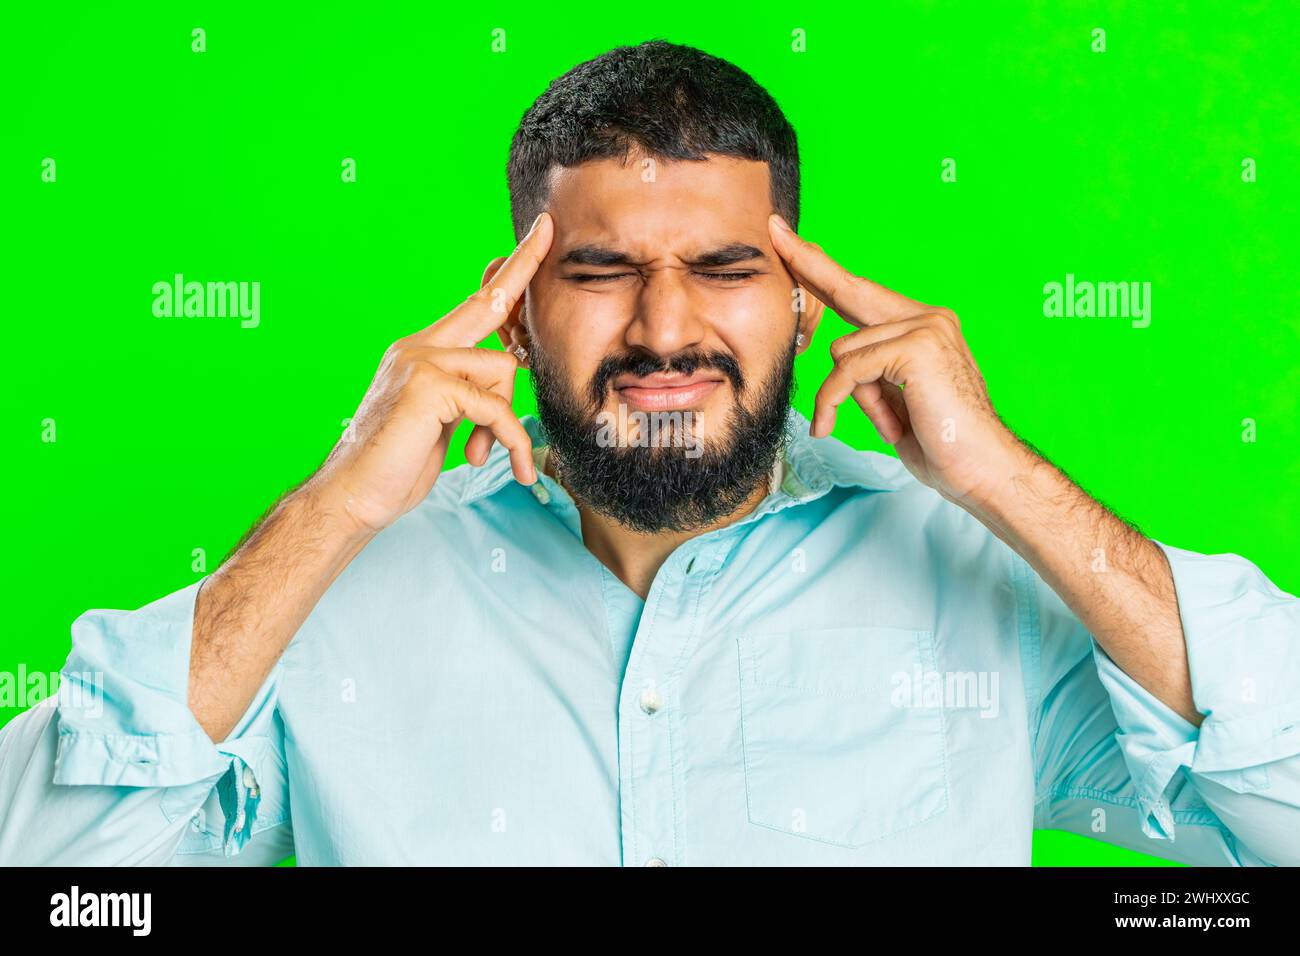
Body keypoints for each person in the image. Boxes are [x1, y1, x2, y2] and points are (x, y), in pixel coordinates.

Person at [1, 40, 1297, 866]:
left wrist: (1004, 480)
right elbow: (52, 860)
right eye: (603, 270)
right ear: (515, 306)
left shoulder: (970, 583)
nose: (665, 327)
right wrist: (338, 507)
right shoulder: (342, 603)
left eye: (727, 269)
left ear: (802, 300)